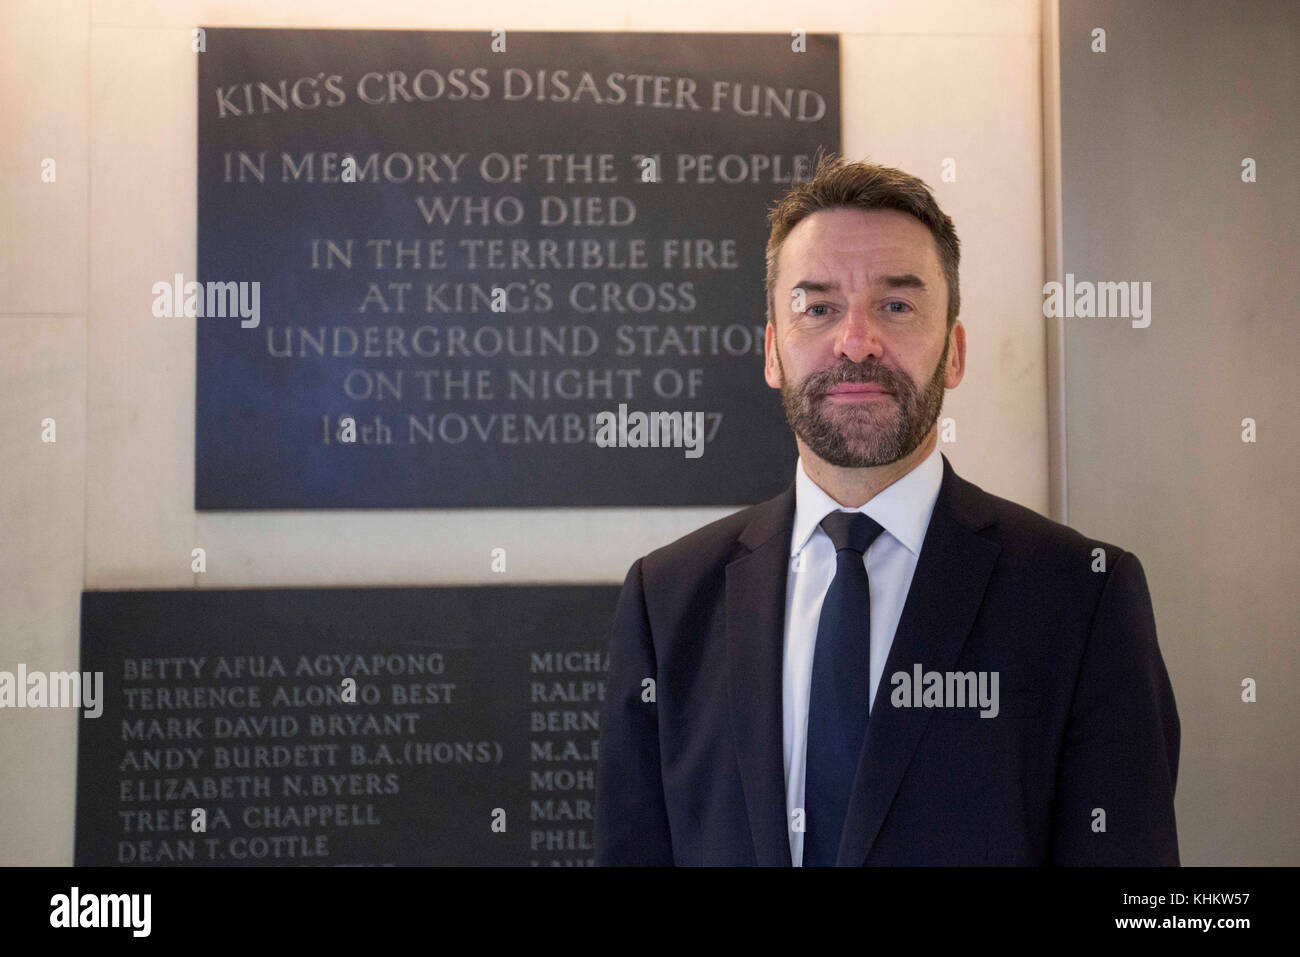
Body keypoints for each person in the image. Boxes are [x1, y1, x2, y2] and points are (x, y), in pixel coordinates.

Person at [594, 154, 1180, 866]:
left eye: (896, 305)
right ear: (774, 353)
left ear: (955, 352)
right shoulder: (667, 599)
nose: (856, 342)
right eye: (818, 308)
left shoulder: (1083, 597)